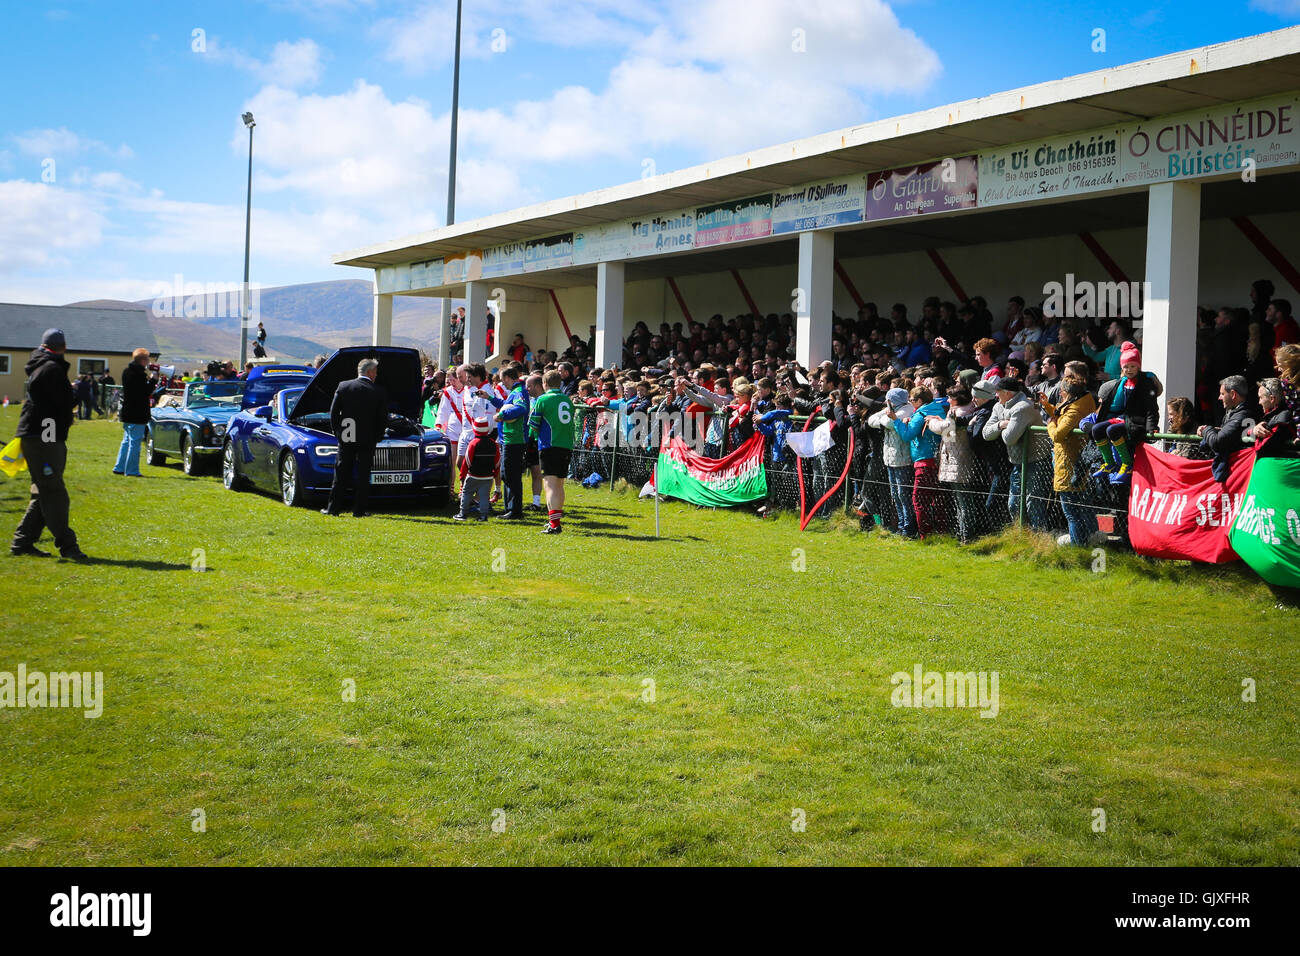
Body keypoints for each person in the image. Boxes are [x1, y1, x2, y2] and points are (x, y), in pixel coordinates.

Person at [10, 328, 87, 560]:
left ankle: (22, 542)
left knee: (43, 489)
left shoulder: (40, 366)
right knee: (53, 492)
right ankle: (68, 545)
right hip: (45, 435)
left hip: (39, 433)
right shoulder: (52, 369)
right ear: (63, 347)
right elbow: (55, 405)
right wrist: (71, 397)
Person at [1087, 341, 1162, 485]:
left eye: (1133, 366)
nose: (1129, 369)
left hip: (1138, 420)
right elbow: (1115, 404)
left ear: (1139, 366)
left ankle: (1126, 465)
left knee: (1112, 430)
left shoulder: (1145, 382)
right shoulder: (1124, 382)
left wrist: (1152, 426)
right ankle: (1109, 463)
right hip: (1125, 417)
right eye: (1126, 366)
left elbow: (1152, 407)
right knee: (1097, 429)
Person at [323, 358, 388, 518]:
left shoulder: (344, 386)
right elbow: (382, 418)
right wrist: (377, 436)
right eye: (376, 372)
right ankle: (359, 510)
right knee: (363, 474)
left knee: (341, 473)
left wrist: (338, 432)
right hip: (368, 438)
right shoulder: (378, 391)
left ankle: (333, 509)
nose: (376, 375)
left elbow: (333, 413)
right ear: (370, 372)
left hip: (347, 434)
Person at [984, 376, 1050, 530]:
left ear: (1007, 393)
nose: (996, 395)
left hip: (1036, 460)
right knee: (1014, 504)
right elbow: (986, 434)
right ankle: (1021, 536)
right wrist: (1001, 424)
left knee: (1034, 503)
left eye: (998, 392)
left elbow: (1009, 439)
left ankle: (1039, 537)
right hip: (1017, 462)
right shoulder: (998, 406)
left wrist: (1001, 428)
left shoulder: (1023, 407)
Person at [1044, 360, 1098, 547]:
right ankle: (1091, 539)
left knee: (1072, 512)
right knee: (1083, 508)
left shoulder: (1076, 406)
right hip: (1074, 462)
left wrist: (1050, 423)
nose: (1060, 392)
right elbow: (1061, 415)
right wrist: (1048, 408)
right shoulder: (1080, 398)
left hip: (1070, 463)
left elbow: (1058, 434)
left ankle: (1078, 546)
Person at [527, 369, 575, 534]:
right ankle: (555, 522)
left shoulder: (542, 399)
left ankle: (554, 525)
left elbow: (533, 424)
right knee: (559, 484)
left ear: (544, 384)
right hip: (566, 444)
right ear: (560, 383)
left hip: (549, 445)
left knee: (550, 485)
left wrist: (532, 438)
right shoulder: (567, 400)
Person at [1197, 375, 1252, 483]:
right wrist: (1214, 430)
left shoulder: (1243, 415)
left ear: (1233, 394)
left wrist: (1206, 430)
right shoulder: (1233, 412)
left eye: (1222, 394)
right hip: (1235, 473)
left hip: (1238, 475)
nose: (1219, 397)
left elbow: (1218, 442)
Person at [494, 365, 530, 519]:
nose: (503, 384)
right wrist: (489, 398)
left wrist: (502, 415)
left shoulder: (520, 392)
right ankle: (510, 508)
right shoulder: (515, 392)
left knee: (510, 474)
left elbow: (521, 408)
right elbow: (506, 405)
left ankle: (515, 510)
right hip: (508, 438)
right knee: (506, 473)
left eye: (503, 381)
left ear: (509, 378)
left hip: (515, 439)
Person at [113, 348, 152, 477]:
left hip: (128, 411)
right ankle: (131, 470)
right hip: (138, 413)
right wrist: (153, 381)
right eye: (147, 359)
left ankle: (119, 467)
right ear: (142, 360)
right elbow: (145, 392)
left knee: (126, 441)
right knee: (135, 443)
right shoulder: (139, 374)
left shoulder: (127, 372)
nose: (148, 361)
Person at [453, 418, 499, 521]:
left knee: (466, 493)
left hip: (473, 475)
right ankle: (483, 515)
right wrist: (494, 473)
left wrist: (462, 475)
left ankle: (463, 513)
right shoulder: (494, 443)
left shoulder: (473, 443)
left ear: (474, 429)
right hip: (488, 476)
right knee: (484, 496)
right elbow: (497, 461)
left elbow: (467, 461)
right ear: (487, 429)